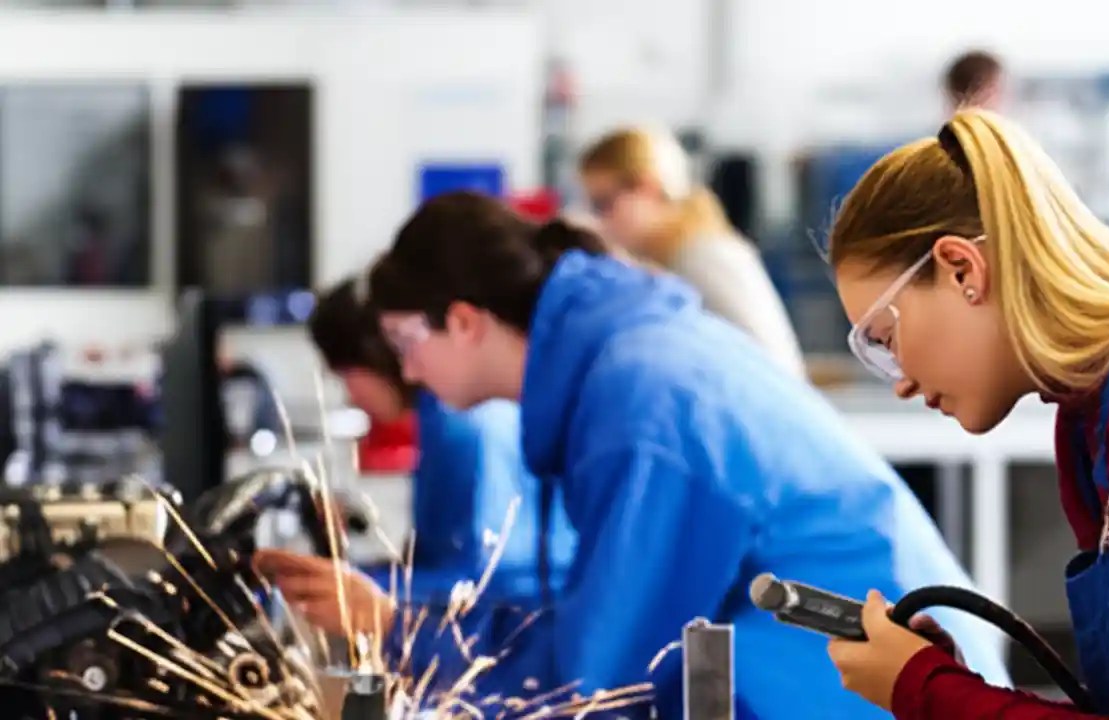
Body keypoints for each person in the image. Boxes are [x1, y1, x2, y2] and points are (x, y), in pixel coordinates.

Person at [258, 191, 1009, 719]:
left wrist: (403, 632)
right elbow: (600, 616)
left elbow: (598, 674)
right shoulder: (619, 369)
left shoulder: (642, 399)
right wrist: (401, 623)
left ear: (464, 322)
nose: (408, 374)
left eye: (404, 345)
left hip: (885, 691)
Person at [824, 108, 1109, 719]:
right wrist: (944, 682)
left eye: (884, 337)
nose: (900, 381)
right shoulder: (1091, 412)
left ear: (964, 269)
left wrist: (925, 690)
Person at [306, 278, 575, 595]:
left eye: (344, 376)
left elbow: (481, 584)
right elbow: (434, 559)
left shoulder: (462, 425)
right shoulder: (438, 418)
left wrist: (351, 587)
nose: (350, 396)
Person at [578, 127, 805, 376]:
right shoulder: (678, 255)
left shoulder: (701, 256)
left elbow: (766, 365)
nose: (598, 220)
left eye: (603, 203)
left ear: (647, 188)